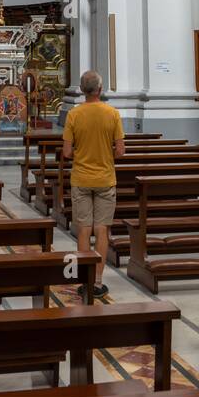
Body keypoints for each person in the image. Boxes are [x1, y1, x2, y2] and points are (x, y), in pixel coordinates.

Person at [62, 70, 125, 297]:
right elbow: (120, 151)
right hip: (105, 179)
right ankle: (98, 282)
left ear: (81, 90)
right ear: (100, 89)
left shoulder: (74, 115)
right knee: (102, 231)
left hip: (81, 178)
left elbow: (67, 152)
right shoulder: (112, 113)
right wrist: (105, 154)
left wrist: (83, 152)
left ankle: (85, 280)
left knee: (83, 230)